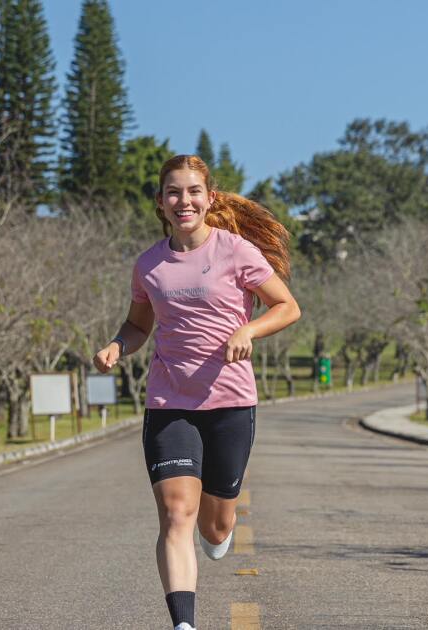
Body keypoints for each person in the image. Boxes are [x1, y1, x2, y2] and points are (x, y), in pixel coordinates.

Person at [93, 154, 300, 630]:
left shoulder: (236, 251)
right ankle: (184, 624)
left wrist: (247, 331)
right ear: (161, 203)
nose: (182, 200)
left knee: (215, 526)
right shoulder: (149, 264)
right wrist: (117, 345)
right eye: (172, 192)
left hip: (230, 402)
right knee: (175, 512)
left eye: (191, 192)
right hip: (170, 404)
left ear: (209, 199)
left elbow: (287, 307)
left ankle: (219, 524)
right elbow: (138, 324)